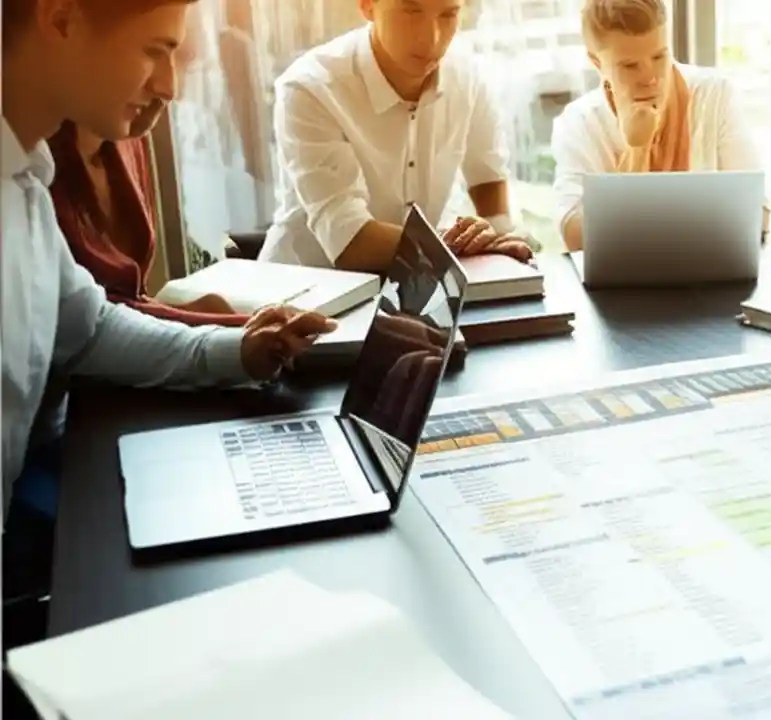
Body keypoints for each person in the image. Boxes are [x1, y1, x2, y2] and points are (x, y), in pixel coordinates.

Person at [1, 0, 333, 522]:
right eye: (154, 51)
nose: (170, 87)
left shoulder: (25, 180)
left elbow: (88, 331)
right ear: (60, 19)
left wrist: (236, 353)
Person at [259, 0, 535, 273]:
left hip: (424, 284)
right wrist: (460, 247)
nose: (432, 38)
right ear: (367, 6)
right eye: (411, 11)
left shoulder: (468, 75)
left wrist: (498, 239)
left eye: (448, 15)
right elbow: (349, 239)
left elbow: (488, 177)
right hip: (308, 291)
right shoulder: (310, 88)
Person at [551, 0, 764, 252]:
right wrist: (637, 150)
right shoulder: (580, 122)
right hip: (620, 284)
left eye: (659, 56)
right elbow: (575, 236)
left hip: (710, 276)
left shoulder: (714, 95)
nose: (650, 77)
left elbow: (758, 213)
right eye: (630, 65)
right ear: (597, 63)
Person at [49, 108, 248, 326]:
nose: (168, 88)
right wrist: (238, 331)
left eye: (179, 71)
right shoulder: (31, 169)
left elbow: (127, 299)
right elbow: (82, 328)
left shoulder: (129, 135)